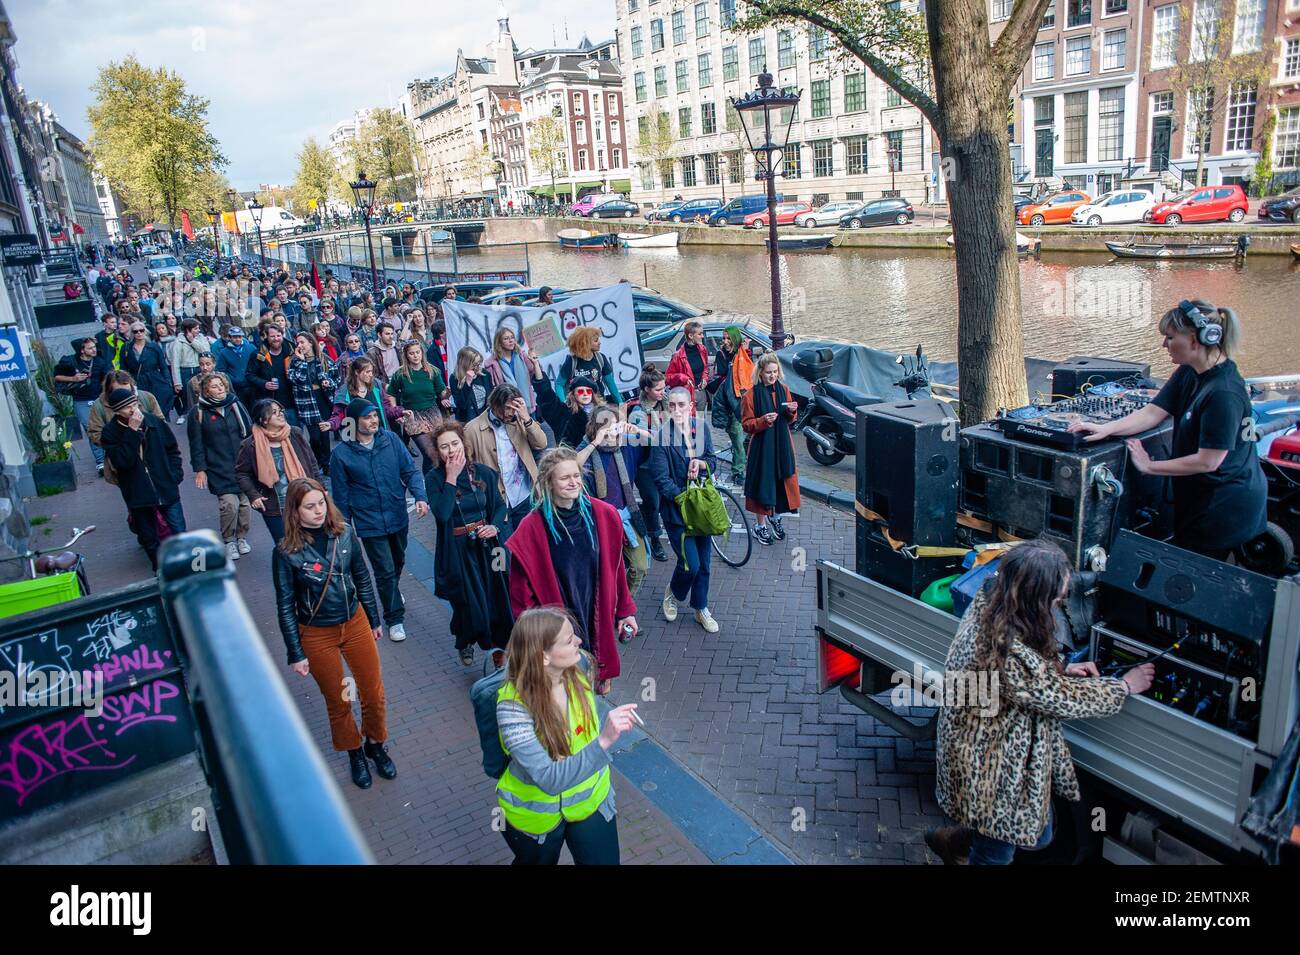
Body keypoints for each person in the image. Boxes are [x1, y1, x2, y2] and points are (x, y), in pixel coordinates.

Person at [928, 540, 1154, 865]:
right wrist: (1123, 687)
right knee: (998, 851)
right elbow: (1059, 698)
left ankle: (955, 841)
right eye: (1056, 598)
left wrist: (1060, 667)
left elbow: (1031, 677)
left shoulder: (992, 605)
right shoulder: (1005, 653)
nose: (1059, 603)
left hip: (982, 752)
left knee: (1038, 832)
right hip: (992, 768)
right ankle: (965, 846)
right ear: (1035, 598)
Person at [1068, 300, 1268, 561]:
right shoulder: (1189, 371)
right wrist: (1107, 428)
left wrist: (1150, 467)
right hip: (1200, 498)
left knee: (1197, 575)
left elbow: (1209, 461)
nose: (1164, 345)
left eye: (1170, 337)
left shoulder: (1224, 393)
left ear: (1195, 340)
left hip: (1224, 506)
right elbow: (1153, 412)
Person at [273, 477, 395, 791]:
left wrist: (373, 618)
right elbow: (285, 604)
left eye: (321, 503)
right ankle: (354, 752)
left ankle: (375, 744)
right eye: (309, 506)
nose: (318, 511)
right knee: (340, 699)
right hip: (316, 633)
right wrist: (295, 652)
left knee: (373, 691)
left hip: (354, 622)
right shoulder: (287, 552)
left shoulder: (345, 534)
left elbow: (362, 577)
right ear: (295, 512)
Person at [494, 606, 639, 865]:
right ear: (544, 658)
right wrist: (604, 740)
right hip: (536, 817)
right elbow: (549, 780)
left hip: (590, 800)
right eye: (569, 639)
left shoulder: (581, 664)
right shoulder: (512, 709)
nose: (579, 642)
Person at [505, 447, 638, 692]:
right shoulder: (531, 528)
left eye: (576, 475)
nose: (573, 482)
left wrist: (625, 611)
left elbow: (616, 568)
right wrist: (539, 636)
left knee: (597, 685)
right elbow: (521, 595)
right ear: (549, 482)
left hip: (595, 611)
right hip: (557, 621)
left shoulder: (604, 515)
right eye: (565, 478)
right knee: (565, 691)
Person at [329, 399, 429, 643]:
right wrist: (344, 527)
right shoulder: (341, 454)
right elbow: (341, 496)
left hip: (396, 514)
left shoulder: (391, 440)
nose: (374, 420)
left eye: (375, 415)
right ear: (353, 421)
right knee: (383, 570)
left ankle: (391, 590)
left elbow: (410, 471)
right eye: (367, 416)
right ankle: (395, 618)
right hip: (369, 521)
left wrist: (420, 496)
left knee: (396, 561)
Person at [429, 421, 513, 666]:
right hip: (458, 548)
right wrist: (452, 478)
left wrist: (494, 526)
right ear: (438, 451)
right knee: (467, 602)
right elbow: (442, 514)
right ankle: (465, 640)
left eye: (454, 443)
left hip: (489, 544)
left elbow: (498, 506)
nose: (451, 450)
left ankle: (499, 649)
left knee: (498, 595)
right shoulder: (434, 479)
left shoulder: (484, 473)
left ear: (463, 444)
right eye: (444, 447)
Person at [649, 386, 720, 634]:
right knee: (691, 563)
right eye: (672, 405)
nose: (677, 410)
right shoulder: (660, 437)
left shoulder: (701, 428)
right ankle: (674, 592)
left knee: (705, 563)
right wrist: (683, 498)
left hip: (701, 509)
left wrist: (701, 464)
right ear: (667, 407)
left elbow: (712, 460)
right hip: (678, 511)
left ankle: (701, 608)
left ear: (690, 405)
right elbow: (660, 478)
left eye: (682, 405)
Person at [100, 387, 186, 569]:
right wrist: (132, 431)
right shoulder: (110, 433)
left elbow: (172, 449)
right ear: (116, 411)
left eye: (133, 404)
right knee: (150, 538)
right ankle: (161, 570)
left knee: (179, 531)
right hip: (139, 494)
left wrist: (175, 475)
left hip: (165, 487)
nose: (133, 410)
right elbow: (123, 461)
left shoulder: (153, 422)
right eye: (126, 408)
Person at [580, 407, 652, 597]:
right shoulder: (587, 448)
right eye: (606, 427)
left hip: (627, 516)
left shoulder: (627, 446)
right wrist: (595, 442)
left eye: (615, 425)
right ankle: (607, 607)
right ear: (596, 428)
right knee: (604, 573)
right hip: (599, 521)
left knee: (640, 566)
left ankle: (623, 604)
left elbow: (656, 442)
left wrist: (637, 431)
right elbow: (573, 463)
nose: (612, 431)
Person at [235, 399, 322, 545]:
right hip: (275, 507)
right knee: (286, 547)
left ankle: (312, 569)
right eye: (274, 413)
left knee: (312, 544)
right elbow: (241, 473)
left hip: (305, 501)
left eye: (281, 411)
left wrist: (320, 488)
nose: (280, 414)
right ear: (263, 420)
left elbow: (312, 463)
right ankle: (288, 569)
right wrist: (254, 495)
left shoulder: (295, 433)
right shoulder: (250, 445)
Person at [463, 383, 549, 532]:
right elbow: (466, 467)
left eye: (513, 407)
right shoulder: (472, 429)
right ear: (494, 404)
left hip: (524, 496)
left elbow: (541, 444)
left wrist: (527, 419)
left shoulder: (520, 420)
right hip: (497, 503)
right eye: (506, 408)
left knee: (529, 546)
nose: (510, 413)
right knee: (506, 550)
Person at [188, 372, 254, 562]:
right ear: (206, 390)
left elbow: (249, 432)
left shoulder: (235, 405)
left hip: (242, 464)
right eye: (215, 386)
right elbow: (196, 444)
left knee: (244, 505)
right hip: (218, 465)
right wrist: (200, 469)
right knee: (229, 505)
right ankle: (229, 540)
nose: (220, 389)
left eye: (222, 385)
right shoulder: (198, 412)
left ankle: (242, 537)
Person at [741, 353, 801, 545]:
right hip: (762, 447)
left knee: (780, 481)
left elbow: (791, 420)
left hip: (782, 443)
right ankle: (760, 526)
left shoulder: (784, 389)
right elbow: (746, 424)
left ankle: (775, 517)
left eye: (775, 372)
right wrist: (762, 421)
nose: (772, 376)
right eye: (768, 372)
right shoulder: (750, 395)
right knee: (763, 484)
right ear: (760, 373)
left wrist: (792, 411)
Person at [626, 365, 670, 562]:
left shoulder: (667, 404)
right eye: (659, 389)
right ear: (646, 390)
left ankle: (640, 517)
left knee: (664, 501)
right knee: (653, 501)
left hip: (665, 463)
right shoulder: (637, 412)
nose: (663, 392)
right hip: (645, 466)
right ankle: (654, 539)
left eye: (664, 388)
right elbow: (644, 439)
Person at [87, 370, 163, 485]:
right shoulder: (99, 406)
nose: (125, 396)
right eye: (119, 392)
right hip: (125, 463)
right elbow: (94, 434)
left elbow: (161, 424)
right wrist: (121, 438)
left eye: (128, 391)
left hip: (153, 457)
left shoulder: (146, 397)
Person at [386, 340, 451, 470]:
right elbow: (391, 393)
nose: (415, 356)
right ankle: (428, 482)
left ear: (422, 353)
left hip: (433, 414)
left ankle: (432, 480)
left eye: (417, 352)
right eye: (411, 353)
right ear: (406, 355)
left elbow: (442, 393)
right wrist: (395, 411)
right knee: (428, 452)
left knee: (437, 452)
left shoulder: (433, 371)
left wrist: (449, 392)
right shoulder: (400, 374)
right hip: (413, 416)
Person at [54, 337, 111, 476]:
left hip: (99, 399)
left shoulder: (99, 361)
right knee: (91, 429)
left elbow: (108, 378)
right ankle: (100, 462)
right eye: (90, 348)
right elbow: (57, 376)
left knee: (107, 427)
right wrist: (73, 378)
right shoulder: (70, 361)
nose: (94, 350)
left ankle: (110, 456)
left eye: (94, 347)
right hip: (81, 400)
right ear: (82, 350)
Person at [287, 331, 338, 474]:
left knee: (324, 433)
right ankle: (316, 460)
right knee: (314, 436)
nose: (300, 345)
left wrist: (330, 383)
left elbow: (336, 377)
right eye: (298, 343)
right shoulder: (295, 362)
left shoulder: (323, 359)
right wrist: (302, 361)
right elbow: (297, 379)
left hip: (322, 398)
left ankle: (327, 463)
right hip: (306, 401)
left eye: (302, 342)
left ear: (310, 342)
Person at [711, 326, 754, 483]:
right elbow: (725, 377)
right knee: (737, 439)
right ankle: (738, 472)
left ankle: (745, 465)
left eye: (728, 338)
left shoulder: (742, 354)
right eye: (723, 338)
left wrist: (746, 352)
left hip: (744, 403)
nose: (725, 341)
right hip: (730, 405)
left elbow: (749, 374)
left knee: (746, 438)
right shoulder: (722, 355)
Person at [331, 356, 404, 434]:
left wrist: (401, 411)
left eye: (371, 372)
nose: (371, 375)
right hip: (357, 438)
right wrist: (331, 424)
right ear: (356, 372)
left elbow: (386, 409)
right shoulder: (344, 391)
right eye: (367, 372)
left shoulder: (376, 387)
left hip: (379, 434)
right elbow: (340, 415)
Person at [556, 326, 621, 403]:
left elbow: (611, 384)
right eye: (596, 340)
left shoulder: (600, 358)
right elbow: (559, 384)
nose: (599, 343)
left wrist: (620, 403)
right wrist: (564, 404)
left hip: (598, 404)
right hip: (578, 407)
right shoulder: (571, 361)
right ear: (585, 343)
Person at [244, 321, 294, 420]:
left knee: (294, 431)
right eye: (272, 336)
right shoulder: (258, 354)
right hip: (270, 402)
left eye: (278, 335)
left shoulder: (291, 350)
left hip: (291, 401)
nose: (276, 339)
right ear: (266, 336)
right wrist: (264, 383)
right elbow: (249, 375)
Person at [483, 325, 535, 412]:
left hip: (527, 404)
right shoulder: (493, 363)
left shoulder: (522, 355)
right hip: (507, 406)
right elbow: (492, 387)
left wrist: (534, 360)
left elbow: (533, 371)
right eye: (506, 338)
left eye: (512, 337)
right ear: (499, 342)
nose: (511, 341)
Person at [170, 318, 211, 424]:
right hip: (185, 370)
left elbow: (206, 351)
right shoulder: (178, 341)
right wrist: (177, 382)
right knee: (185, 394)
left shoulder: (201, 338)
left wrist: (193, 341)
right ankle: (184, 413)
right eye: (196, 328)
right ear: (188, 330)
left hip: (199, 368)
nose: (198, 330)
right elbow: (175, 363)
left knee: (202, 392)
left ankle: (203, 413)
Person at [665, 320, 710, 400]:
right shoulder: (678, 356)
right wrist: (682, 377)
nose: (702, 336)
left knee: (700, 413)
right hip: (685, 395)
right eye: (700, 334)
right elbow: (668, 378)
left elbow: (705, 368)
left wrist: (704, 379)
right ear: (690, 336)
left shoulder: (703, 349)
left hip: (700, 393)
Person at [449, 346, 492, 423]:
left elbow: (491, 396)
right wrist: (467, 383)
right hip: (467, 421)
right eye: (474, 365)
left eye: (479, 363)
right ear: (465, 364)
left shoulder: (484, 374)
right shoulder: (454, 379)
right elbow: (462, 405)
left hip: (485, 418)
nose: (478, 367)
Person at [214, 325, 254, 406]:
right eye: (235, 337)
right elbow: (221, 370)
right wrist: (234, 379)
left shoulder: (251, 348)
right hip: (237, 388)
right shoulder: (224, 352)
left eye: (239, 337)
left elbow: (257, 364)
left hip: (252, 385)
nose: (237, 339)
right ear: (229, 337)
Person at [367, 322, 401, 386]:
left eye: (392, 334)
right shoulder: (372, 353)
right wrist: (383, 385)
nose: (391, 337)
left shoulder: (397, 347)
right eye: (387, 334)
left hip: (401, 380)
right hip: (385, 384)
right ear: (379, 335)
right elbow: (373, 374)